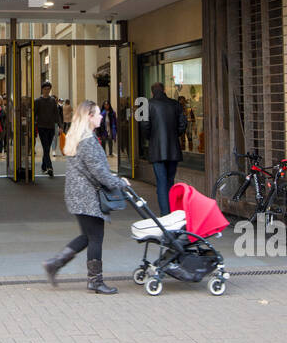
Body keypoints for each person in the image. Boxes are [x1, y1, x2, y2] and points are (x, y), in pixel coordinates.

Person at [42, 100, 132, 294]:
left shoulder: (80, 137)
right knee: (96, 237)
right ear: (89, 117)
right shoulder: (88, 141)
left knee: (87, 236)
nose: (101, 117)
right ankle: (95, 281)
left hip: (79, 195)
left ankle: (55, 264)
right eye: (98, 114)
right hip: (86, 197)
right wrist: (120, 183)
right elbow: (99, 172)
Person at [140, 83, 185, 215]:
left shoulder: (147, 104)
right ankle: (172, 212)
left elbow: (144, 125)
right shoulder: (175, 104)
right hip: (173, 149)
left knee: (161, 182)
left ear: (152, 92)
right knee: (170, 181)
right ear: (164, 90)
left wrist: (151, 138)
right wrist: (175, 135)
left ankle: (165, 214)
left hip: (157, 149)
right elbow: (183, 124)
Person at [34, 82, 60, 177]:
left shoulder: (52, 100)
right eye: (45, 89)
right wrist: (33, 125)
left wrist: (60, 126)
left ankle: (43, 166)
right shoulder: (37, 101)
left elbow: (56, 114)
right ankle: (50, 167)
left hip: (51, 127)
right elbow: (34, 114)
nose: (47, 90)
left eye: (48, 89)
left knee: (47, 148)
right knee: (45, 147)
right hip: (41, 127)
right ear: (42, 89)